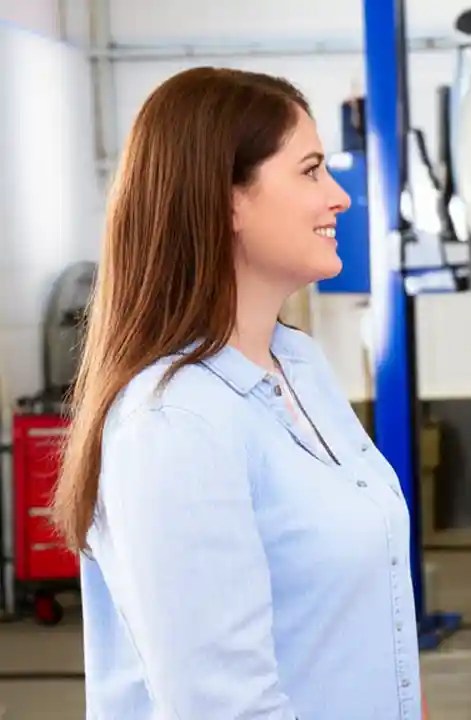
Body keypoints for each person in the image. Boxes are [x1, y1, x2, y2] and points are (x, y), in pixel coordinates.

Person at [51, 67, 425, 719]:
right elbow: (223, 705)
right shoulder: (175, 422)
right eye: (311, 171)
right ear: (227, 201)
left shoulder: (300, 364)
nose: (339, 197)